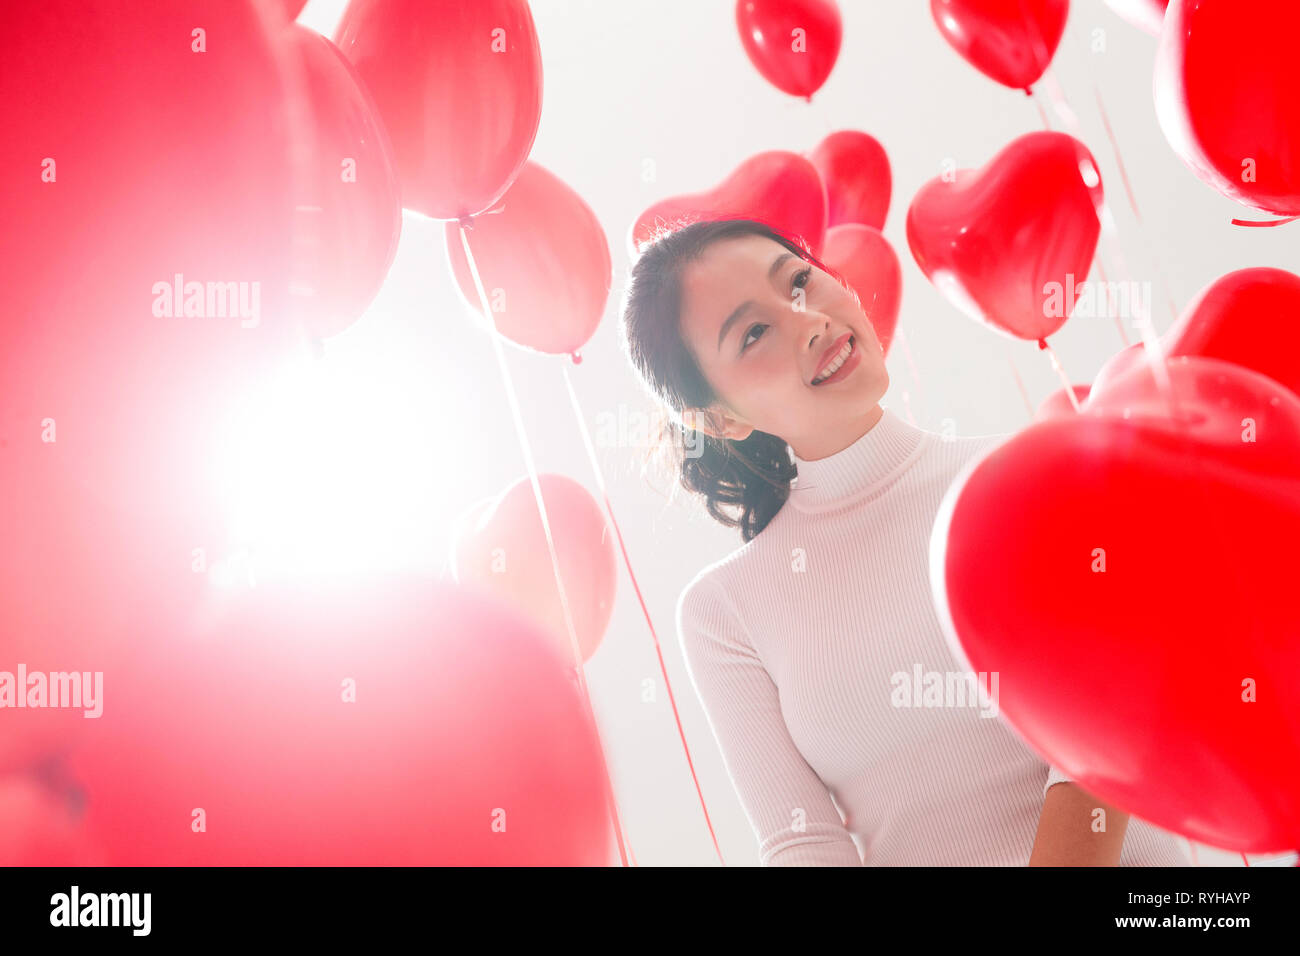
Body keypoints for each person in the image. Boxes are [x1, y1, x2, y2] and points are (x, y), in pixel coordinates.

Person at [619, 216, 1191, 866]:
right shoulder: (725, 613)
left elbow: (1104, 719)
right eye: (754, 333)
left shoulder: (1034, 467)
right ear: (720, 419)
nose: (808, 320)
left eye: (800, 281)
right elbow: (802, 842)